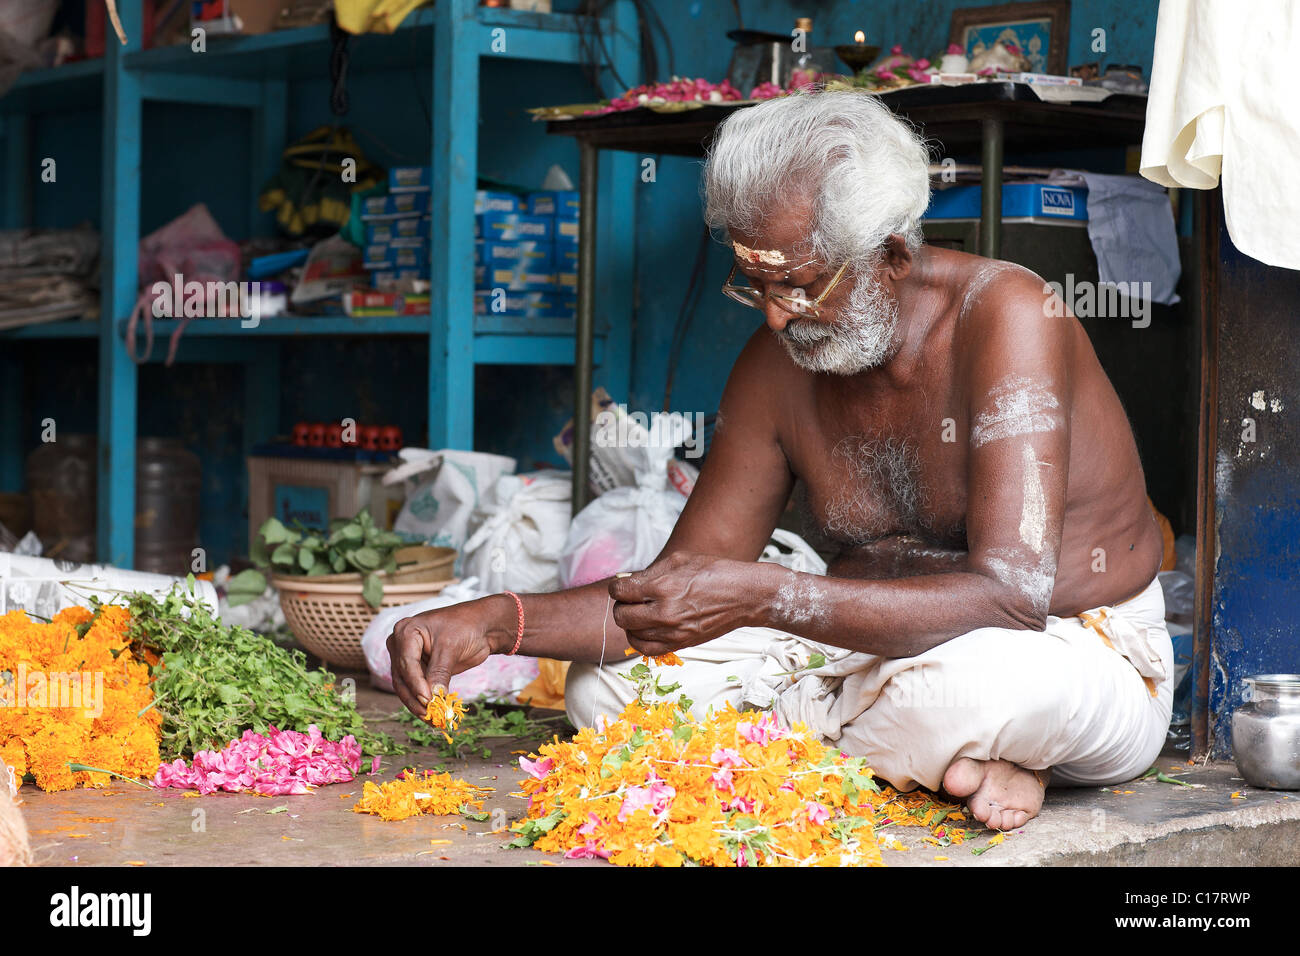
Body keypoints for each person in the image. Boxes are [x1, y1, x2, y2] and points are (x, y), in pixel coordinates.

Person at [388, 90, 1172, 831]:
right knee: (609, 693)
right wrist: (496, 621)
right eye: (752, 282)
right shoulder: (779, 358)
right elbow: (675, 591)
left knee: (979, 691)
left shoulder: (1009, 315)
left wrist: (771, 597)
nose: (772, 315)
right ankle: (942, 762)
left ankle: (913, 744)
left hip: (1062, 646)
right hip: (855, 657)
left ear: (892, 254)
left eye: (797, 285)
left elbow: (1009, 600)